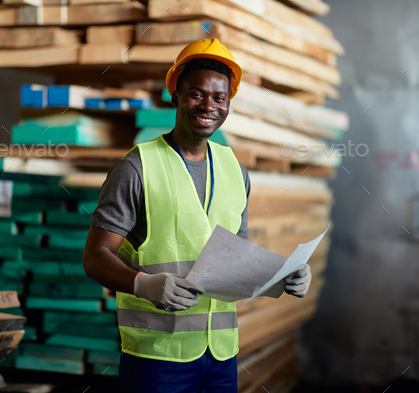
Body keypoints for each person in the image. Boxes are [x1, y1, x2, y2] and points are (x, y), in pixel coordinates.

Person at [83, 38, 312, 393]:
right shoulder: (137, 166)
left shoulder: (234, 170)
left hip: (220, 358)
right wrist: (142, 284)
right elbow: (95, 257)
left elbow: (236, 263)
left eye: (220, 97)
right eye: (196, 93)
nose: (209, 105)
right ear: (175, 95)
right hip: (157, 359)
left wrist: (284, 278)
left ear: (229, 104)